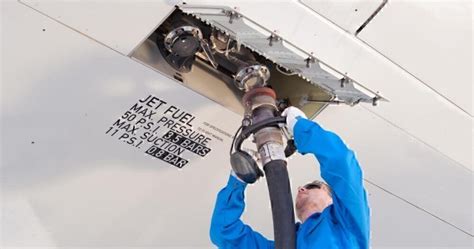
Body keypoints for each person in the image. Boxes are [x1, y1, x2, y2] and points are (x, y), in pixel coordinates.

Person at [209, 106, 370, 249]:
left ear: (333, 201)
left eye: (311, 186)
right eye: (311, 185)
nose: (301, 189)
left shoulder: (347, 225)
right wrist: (300, 127)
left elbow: (223, 233)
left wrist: (240, 177)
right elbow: (224, 232)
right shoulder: (287, 241)